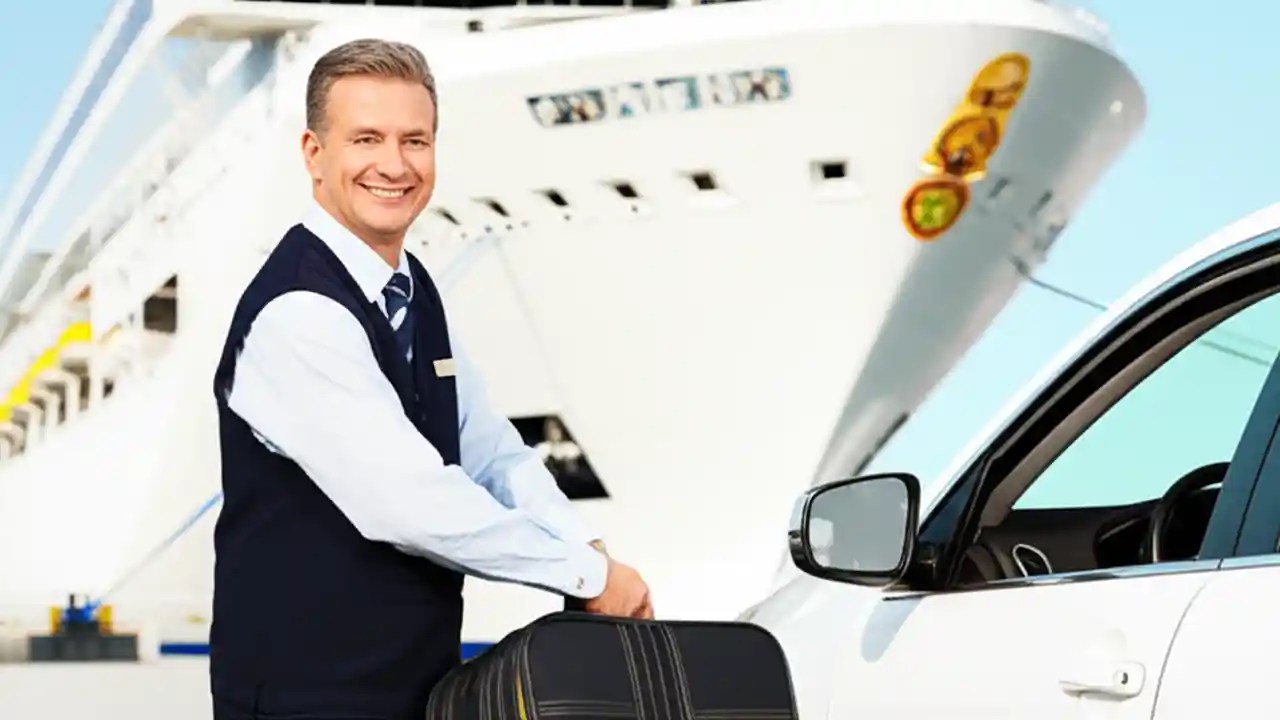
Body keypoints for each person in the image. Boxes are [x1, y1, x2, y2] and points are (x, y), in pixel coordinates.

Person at [208, 38, 651, 720]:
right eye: (366, 139)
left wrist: (584, 547)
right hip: (309, 701)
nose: (394, 164)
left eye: (414, 140)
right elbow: (408, 502)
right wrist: (586, 577)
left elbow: (492, 453)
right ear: (313, 154)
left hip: (419, 693)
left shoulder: (413, 292)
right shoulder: (297, 313)